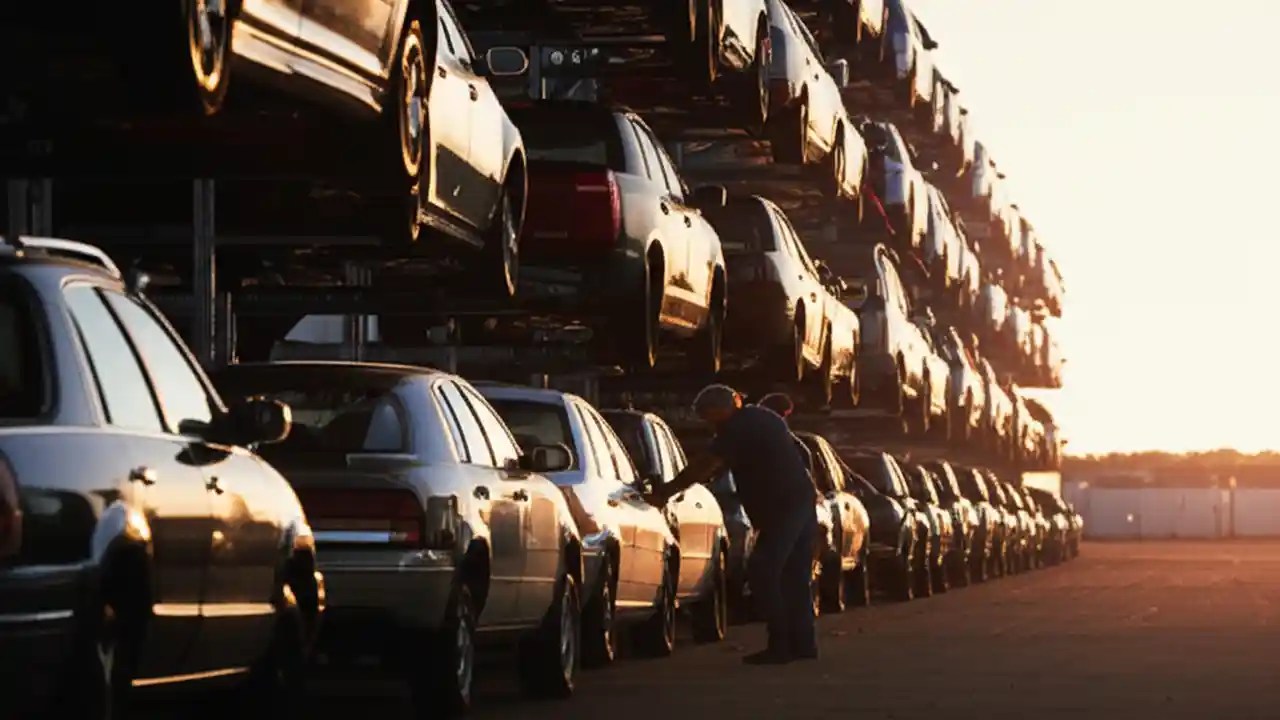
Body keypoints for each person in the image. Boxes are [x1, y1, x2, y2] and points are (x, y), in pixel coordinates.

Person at [643, 384, 819, 664]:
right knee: (794, 575)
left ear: (720, 411)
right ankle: (804, 643)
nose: (708, 424)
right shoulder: (762, 418)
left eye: (708, 417)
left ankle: (781, 644)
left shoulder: (736, 428)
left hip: (782, 507)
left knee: (764, 570)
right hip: (800, 501)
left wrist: (666, 492)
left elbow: (706, 464)